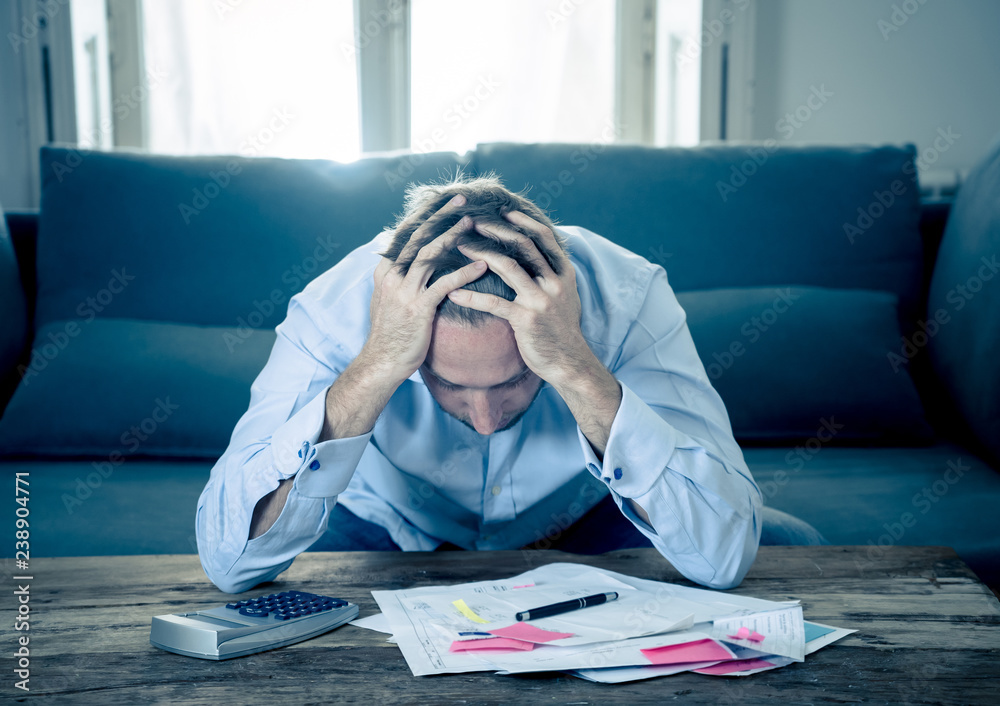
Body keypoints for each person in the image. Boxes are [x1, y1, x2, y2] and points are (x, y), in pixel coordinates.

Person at [196, 175, 824, 594]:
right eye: (449, 385)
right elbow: (227, 563)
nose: (486, 420)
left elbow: (723, 557)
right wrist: (379, 364)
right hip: (385, 525)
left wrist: (574, 364)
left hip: (580, 522)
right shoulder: (334, 309)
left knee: (793, 545)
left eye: (517, 380)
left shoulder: (628, 296)